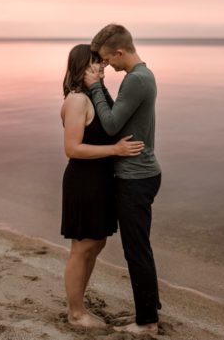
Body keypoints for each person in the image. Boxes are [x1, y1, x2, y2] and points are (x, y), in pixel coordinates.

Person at [84, 24, 162, 335]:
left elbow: (112, 124)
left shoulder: (138, 80)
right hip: (140, 174)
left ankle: (147, 323)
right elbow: (119, 114)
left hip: (136, 177)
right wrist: (101, 88)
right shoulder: (139, 76)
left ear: (120, 51)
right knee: (139, 246)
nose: (106, 65)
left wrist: (94, 87)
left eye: (106, 59)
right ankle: (150, 307)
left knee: (136, 250)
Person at [60, 44, 145, 328]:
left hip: (102, 180)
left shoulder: (92, 97)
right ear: (82, 66)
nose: (103, 67)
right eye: (96, 63)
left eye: (103, 62)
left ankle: (79, 303)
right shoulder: (76, 101)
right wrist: (115, 151)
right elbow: (72, 149)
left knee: (96, 243)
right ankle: (75, 313)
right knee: (81, 248)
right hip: (83, 182)